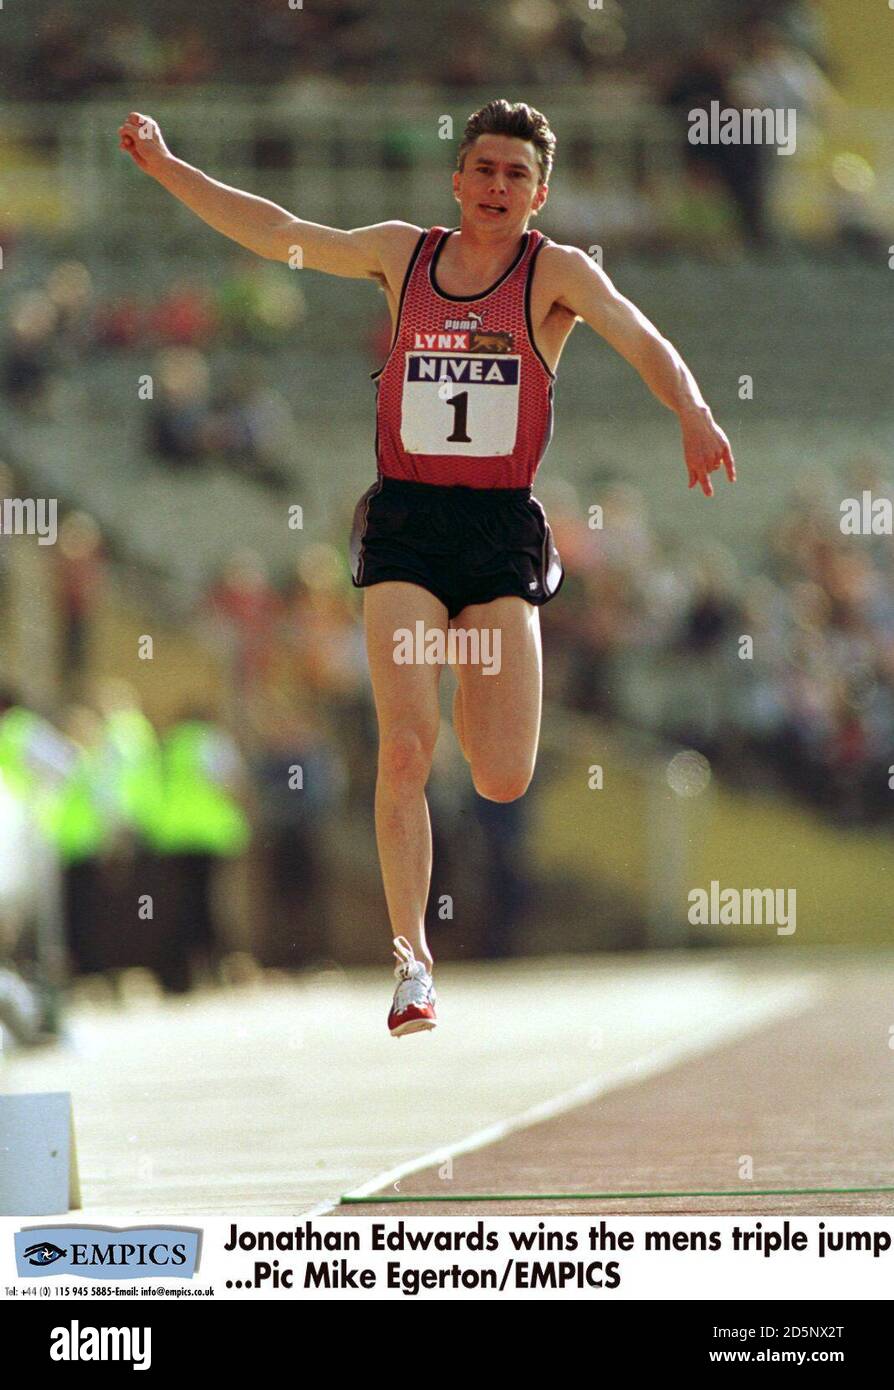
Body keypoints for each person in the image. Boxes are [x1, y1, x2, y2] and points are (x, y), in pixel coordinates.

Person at [118, 98, 736, 1037]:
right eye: (482, 169)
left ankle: (449, 861)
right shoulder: (402, 255)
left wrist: (692, 409)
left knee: (499, 773)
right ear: (457, 179)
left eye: (515, 175)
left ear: (539, 191)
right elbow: (280, 233)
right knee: (406, 745)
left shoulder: (555, 272)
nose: (496, 187)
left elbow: (644, 339)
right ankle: (413, 961)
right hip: (406, 525)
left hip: (497, 536)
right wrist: (168, 168)